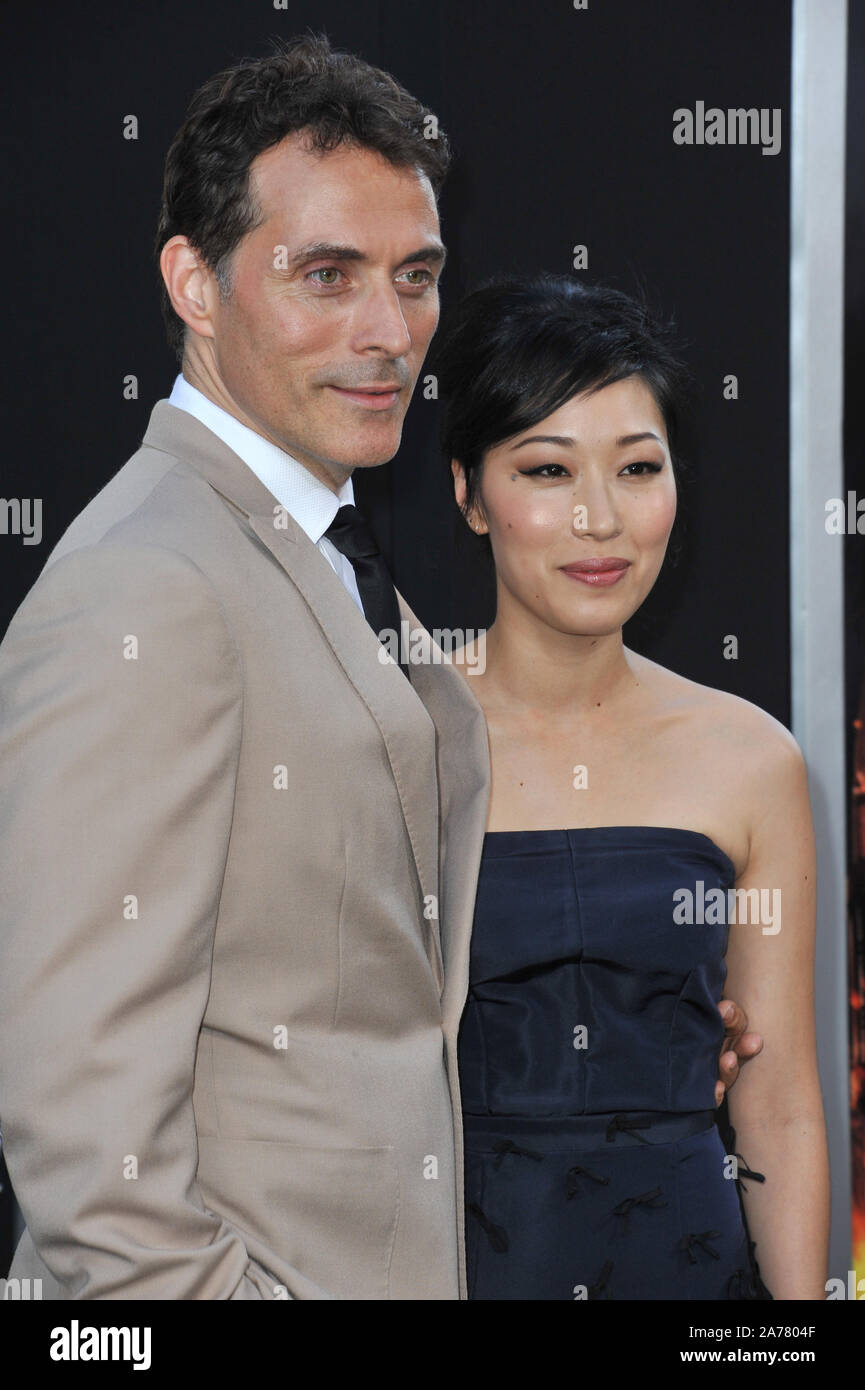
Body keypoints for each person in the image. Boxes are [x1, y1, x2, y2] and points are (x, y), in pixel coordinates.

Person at [0, 39, 758, 1301]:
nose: (388, 333)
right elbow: (86, 1138)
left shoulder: (316, 549)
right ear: (193, 284)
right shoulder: (148, 588)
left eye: (415, 278)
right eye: (327, 275)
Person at [435, 273, 829, 1300]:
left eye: (637, 468)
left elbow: (779, 1099)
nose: (600, 518)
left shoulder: (749, 757)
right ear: (469, 494)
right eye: (547, 469)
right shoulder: (392, 740)